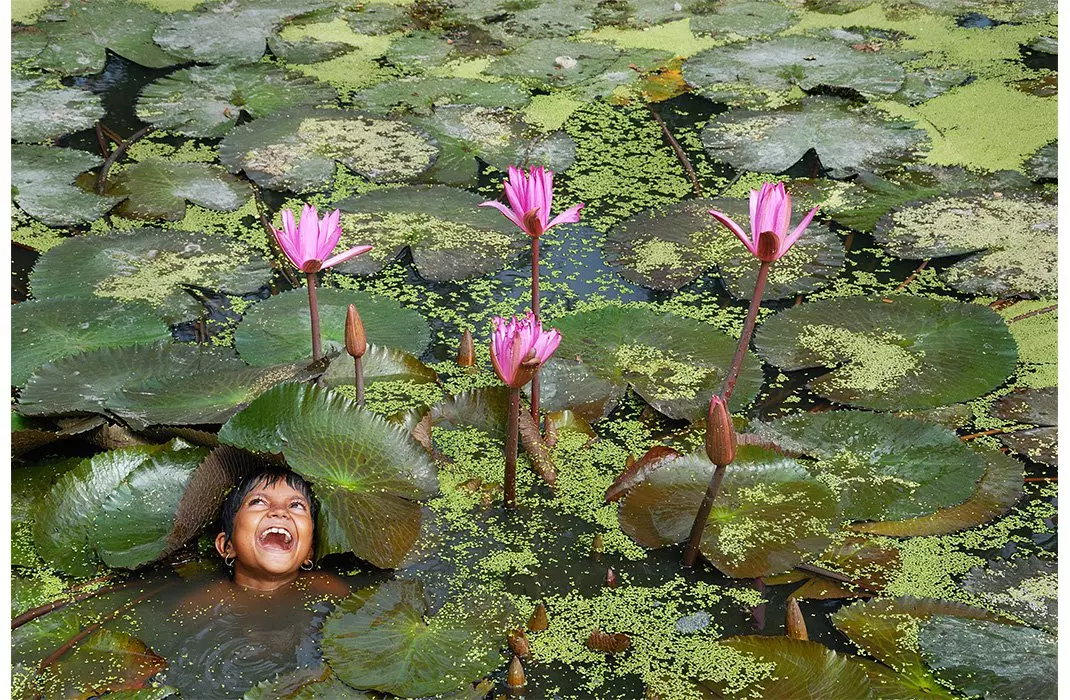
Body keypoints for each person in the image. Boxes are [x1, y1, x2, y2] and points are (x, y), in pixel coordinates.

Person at [213, 467, 350, 596]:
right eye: (259, 502)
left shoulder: (329, 589)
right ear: (227, 546)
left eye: (296, 505)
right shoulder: (209, 600)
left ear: (309, 552)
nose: (280, 511)